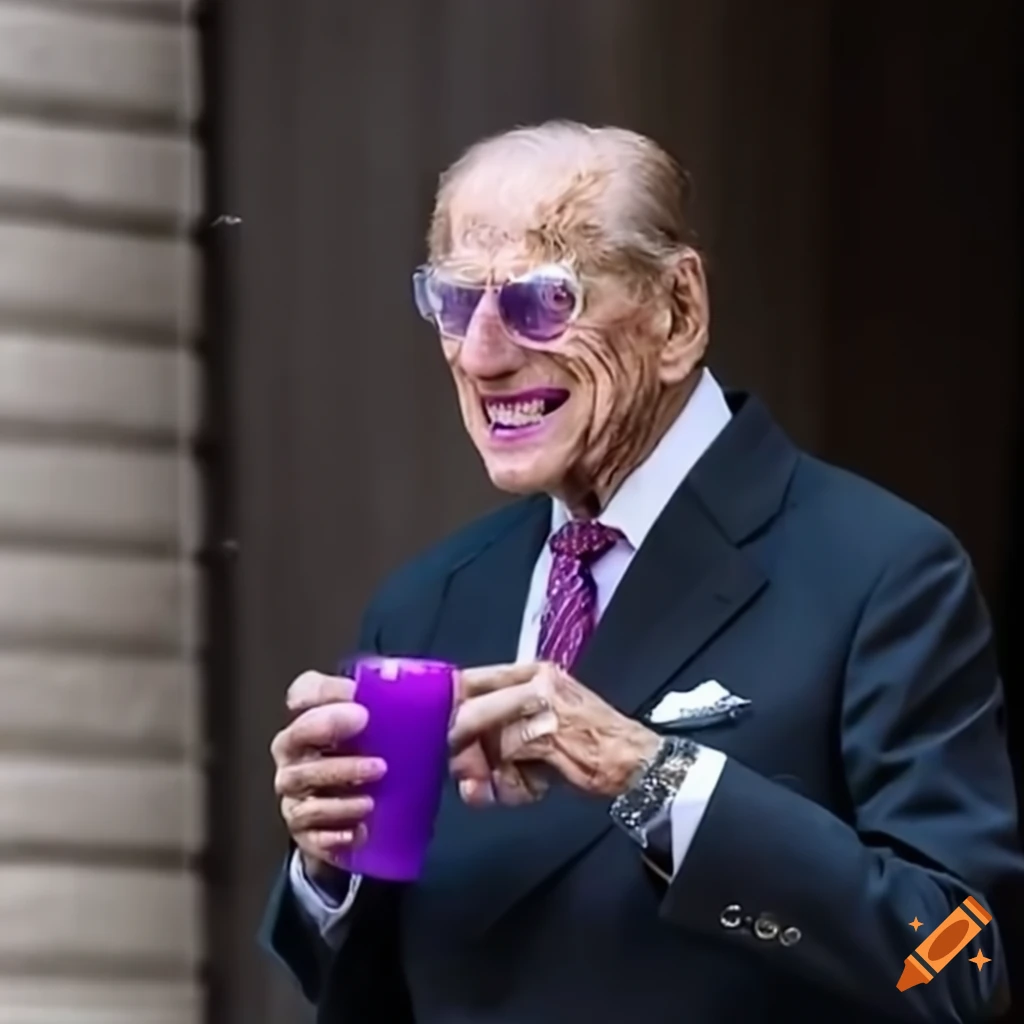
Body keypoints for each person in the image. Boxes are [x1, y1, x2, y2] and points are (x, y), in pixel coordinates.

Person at [260, 121, 1023, 1023]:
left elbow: (959, 961)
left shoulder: (882, 571)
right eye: (457, 303)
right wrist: (329, 868)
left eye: (543, 300)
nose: (481, 355)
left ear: (677, 312)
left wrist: (653, 777)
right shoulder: (428, 601)